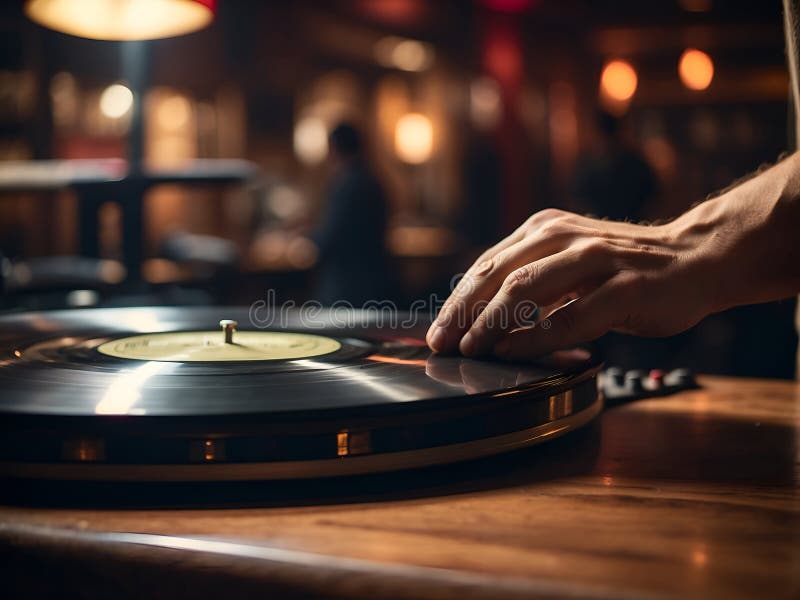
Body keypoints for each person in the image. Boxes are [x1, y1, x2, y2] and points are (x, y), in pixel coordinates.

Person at [427, 0, 800, 361]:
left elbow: (582, 194)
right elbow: (657, 196)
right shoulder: (637, 162)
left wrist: (686, 244)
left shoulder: (590, 164)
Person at [311, 123, 393, 306]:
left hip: (348, 288)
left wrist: (307, 237)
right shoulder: (373, 180)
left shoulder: (348, 185)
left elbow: (332, 238)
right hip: (376, 280)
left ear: (334, 149)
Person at [571, 111, 657, 222]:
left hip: (627, 225)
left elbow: (651, 192)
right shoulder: (588, 163)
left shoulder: (633, 162)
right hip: (608, 226)